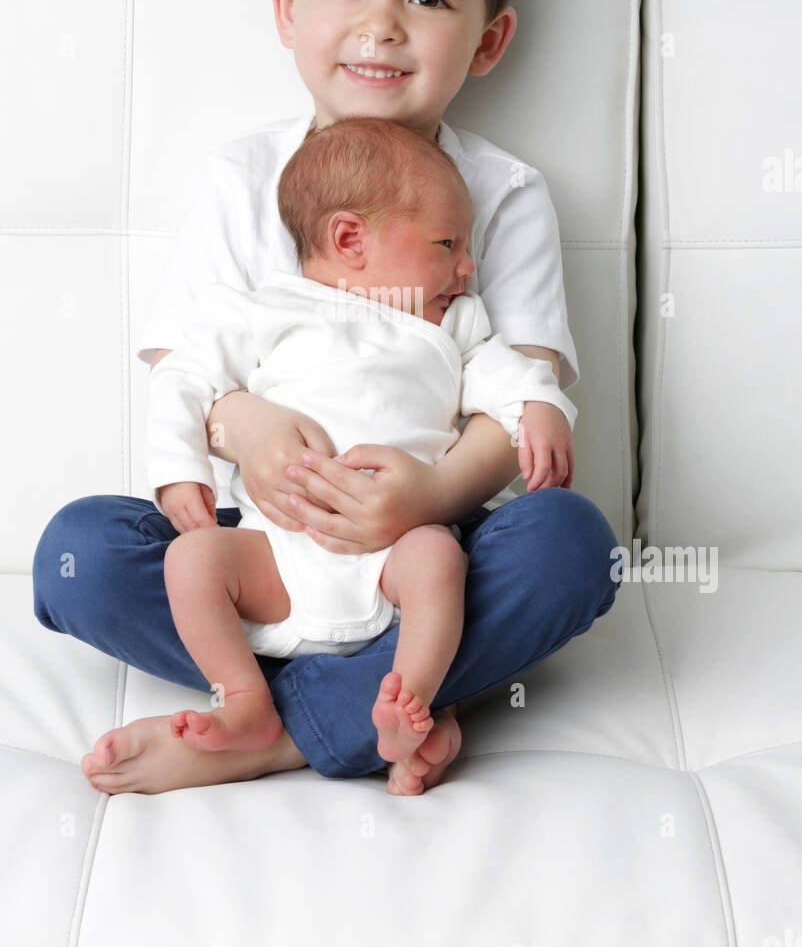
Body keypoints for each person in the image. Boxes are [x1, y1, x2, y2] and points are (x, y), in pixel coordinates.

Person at [32, 0, 621, 797]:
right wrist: (250, 427)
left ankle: (276, 729)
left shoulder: (504, 194)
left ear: (489, 39)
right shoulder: (240, 176)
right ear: (285, 7)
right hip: (265, 539)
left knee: (569, 546)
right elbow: (188, 368)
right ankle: (368, 706)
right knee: (80, 550)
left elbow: (510, 401)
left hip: (426, 545)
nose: (378, 25)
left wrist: (428, 496)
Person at [146, 117, 578, 776]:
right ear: (350, 238)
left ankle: (412, 701)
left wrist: (539, 406)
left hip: (396, 562)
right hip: (278, 555)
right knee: (187, 559)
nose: (467, 266)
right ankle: (244, 698)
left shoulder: (453, 321)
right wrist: (180, 471)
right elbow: (183, 377)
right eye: (448, 243)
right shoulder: (268, 309)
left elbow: (503, 375)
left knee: (446, 557)